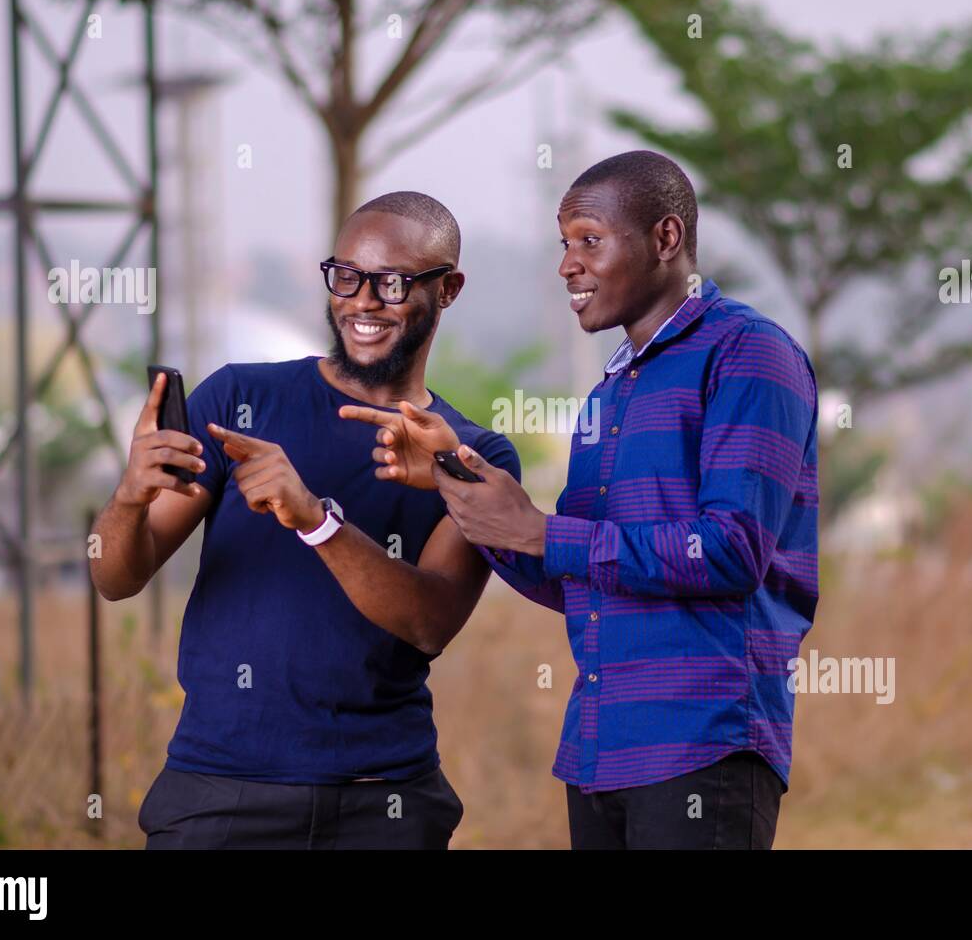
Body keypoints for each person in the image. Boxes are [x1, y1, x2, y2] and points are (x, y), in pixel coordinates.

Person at [362, 152, 819, 849]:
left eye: (589, 240)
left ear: (666, 239)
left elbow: (732, 551)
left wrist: (545, 532)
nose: (567, 265)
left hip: (705, 742)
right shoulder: (608, 394)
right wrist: (454, 479)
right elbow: (578, 577)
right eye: (563, 243)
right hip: (598, 751)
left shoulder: (749, 355)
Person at [88, 191, 519, 849]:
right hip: (220, 790)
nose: (362, 301)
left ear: (449, 288)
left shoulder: (471, 455)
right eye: (346, 275)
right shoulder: (239, 397)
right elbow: (116, 576)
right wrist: (127, 498)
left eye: (392, 282)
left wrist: (315, 520)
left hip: (385, 802)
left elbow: (430, 622)